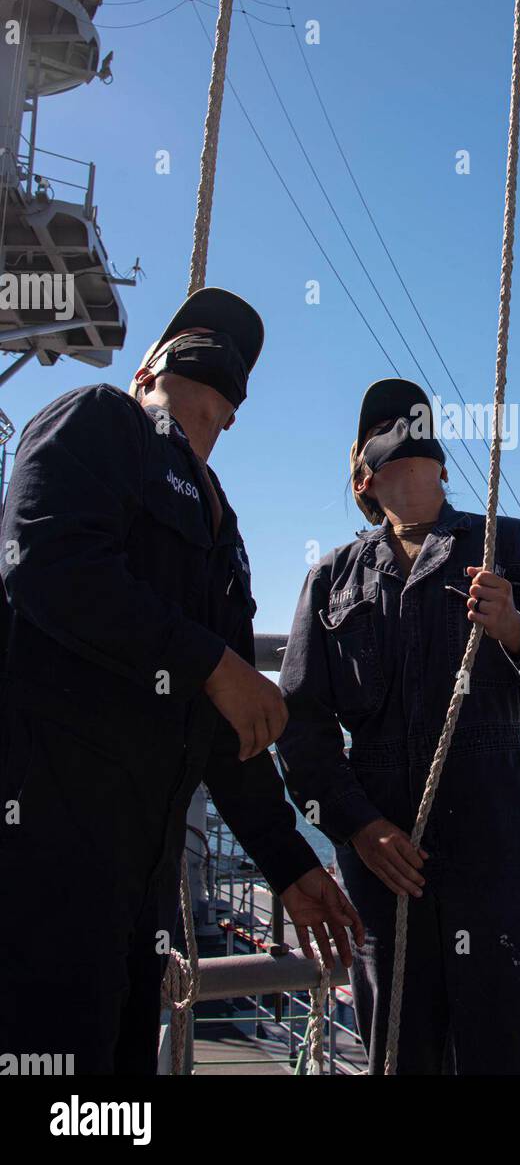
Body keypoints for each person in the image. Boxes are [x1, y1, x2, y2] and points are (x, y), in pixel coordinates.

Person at [0, 288, 363, 1075]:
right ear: (146, 373)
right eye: (198, 388)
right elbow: (46, 563)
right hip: (43, 859)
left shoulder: (222, 530)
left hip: (143, 887)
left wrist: (289, 863)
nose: (212, 416)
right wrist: (209, 661)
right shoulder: (100, 419)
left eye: (223, 413)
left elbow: (231, 729)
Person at [276, 378, 520, 1074]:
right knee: (401, 1053)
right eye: (381, 432)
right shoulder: (330, 579)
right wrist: (358, 826)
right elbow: (300, 730)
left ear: (445, 465)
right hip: (383, 872)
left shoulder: (510, 546)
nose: (401, 432)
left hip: (499, 865)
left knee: (514, 1049)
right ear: (362, 480)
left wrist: (517, 630)